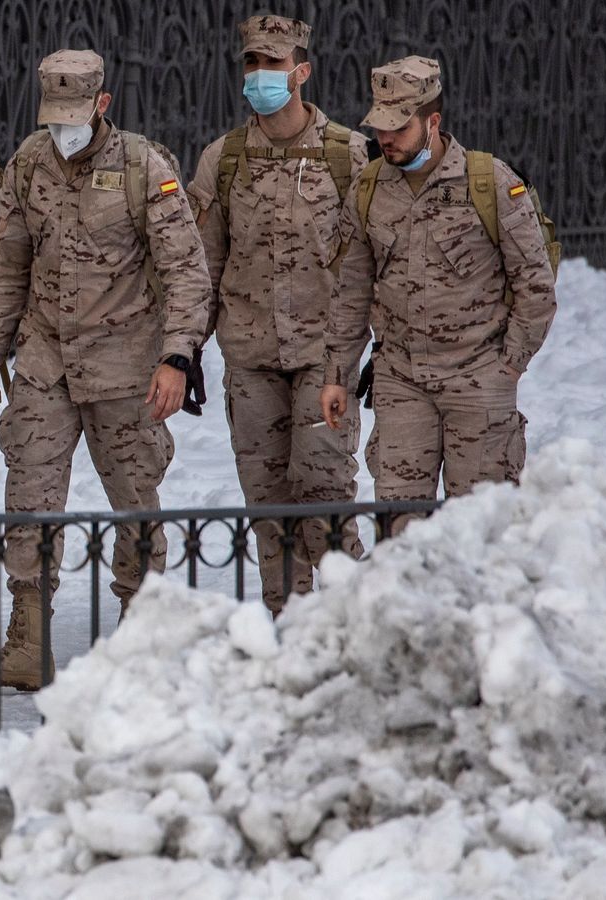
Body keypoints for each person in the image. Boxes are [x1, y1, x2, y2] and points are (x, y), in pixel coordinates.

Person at [0, 50, 212, 691]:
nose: (62, 130)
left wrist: (176, 358)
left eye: (74, 116)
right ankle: (28, 640)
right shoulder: (27, 163)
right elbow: (7, 267)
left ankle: (143, 630)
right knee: (30, 496)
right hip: (46, 360)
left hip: (126, 362)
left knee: (134, 499)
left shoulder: (142, 168)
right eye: (53, 118)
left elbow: (187, 272)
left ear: (102, 105)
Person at [184, 15, 369, 615]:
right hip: (251, 357)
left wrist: (382, 345)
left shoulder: (349, 155)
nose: (261, 75)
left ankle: (350, 617)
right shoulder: (225, 159)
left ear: (302, 71)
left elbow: (381, 258)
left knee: (322, 488)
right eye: (252, 64)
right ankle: (285, 621)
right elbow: (203, 266)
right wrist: (182, 348)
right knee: (267, 503)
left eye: (274, 63)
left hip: (326, 357)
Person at [321, 56, 556, 504]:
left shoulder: (490, 183)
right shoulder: (368, 189)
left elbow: (536, 286)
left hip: (478, 381)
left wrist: (507, 367)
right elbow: (350, 291)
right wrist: (336, 375)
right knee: (401, 530)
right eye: (379, 128)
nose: (385, 139)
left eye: (399, 127)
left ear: (433, 121)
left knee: (481, 532)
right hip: (400, 382)